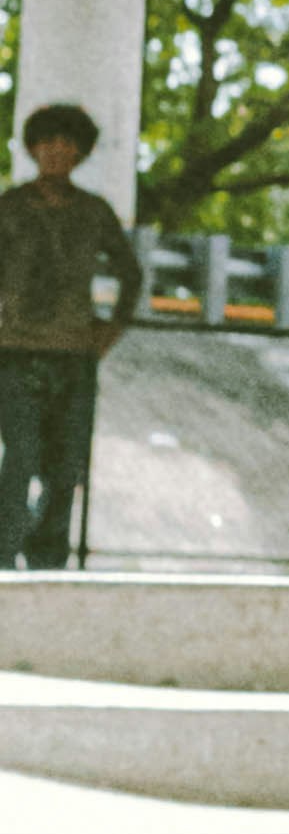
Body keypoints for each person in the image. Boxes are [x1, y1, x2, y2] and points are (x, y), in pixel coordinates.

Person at [0, 97, 140, 570]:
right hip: (15, 352)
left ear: (80, 152)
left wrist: (108, 332)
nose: (57, 151)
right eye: (48, 141)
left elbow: (130, 273)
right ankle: (2, 561)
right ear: (33, 148)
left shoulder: (94, 213)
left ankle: (47, 564)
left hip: (74, 356)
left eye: (68, 143)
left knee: (65, 469)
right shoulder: (9, 207)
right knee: (19, 460)